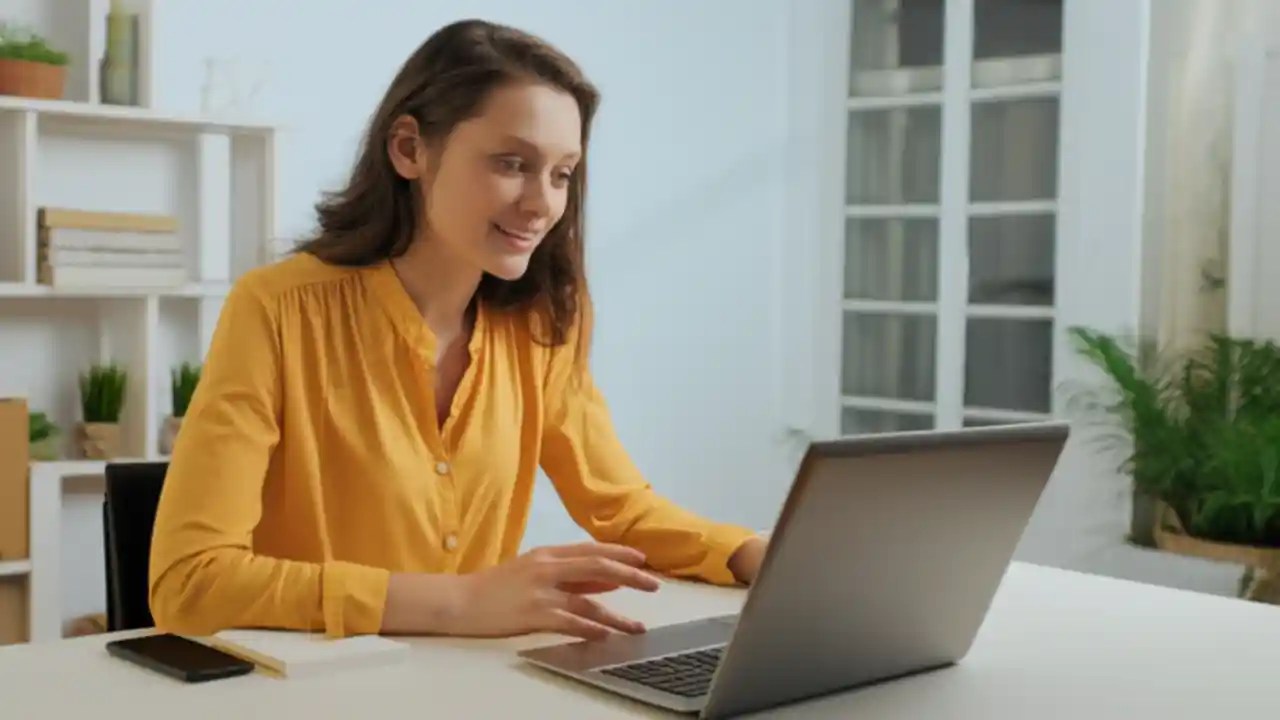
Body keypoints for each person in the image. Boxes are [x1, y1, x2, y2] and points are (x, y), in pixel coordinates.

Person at [147, 18, 769, 642]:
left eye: (561, 173)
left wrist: (754, 555)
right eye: (512, 163)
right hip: (311, 683)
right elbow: (190, 582)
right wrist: (458, 603)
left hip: (466, 679)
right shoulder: (277, 310)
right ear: (409, 149)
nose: (542, 204)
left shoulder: (543, 323)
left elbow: (620, 507)